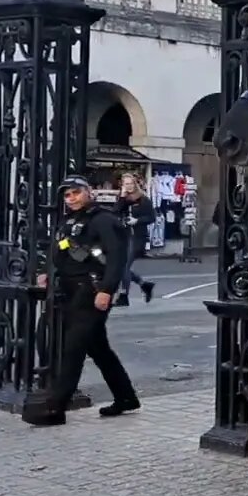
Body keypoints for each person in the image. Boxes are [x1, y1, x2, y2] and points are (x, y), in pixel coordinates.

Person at [22, 174, 141, 426]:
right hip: (68, 290)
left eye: (76, 192)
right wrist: (46, 271)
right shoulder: (69, 220)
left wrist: (107, 289)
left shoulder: (103, 220)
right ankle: (126, 397)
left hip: (91, 290)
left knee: (73, 348)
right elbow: (58, 250)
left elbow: (118, 257)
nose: (71, 198)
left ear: (89, 192)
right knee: (98, 349)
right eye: (67, 195)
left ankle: (55, 407)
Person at [112, 172, 156, 306]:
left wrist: (137, 220)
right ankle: (144, 284)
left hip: (137, 236)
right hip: (124, 234)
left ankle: (124, 295)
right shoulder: (124, 199)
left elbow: (152, 217)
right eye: (126, 184)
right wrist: (122, 196)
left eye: (130, 184)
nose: (129, 186)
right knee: (120, 266)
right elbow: (115, 212)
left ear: (135, 184)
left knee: (124, 265)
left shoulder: (143, 199)